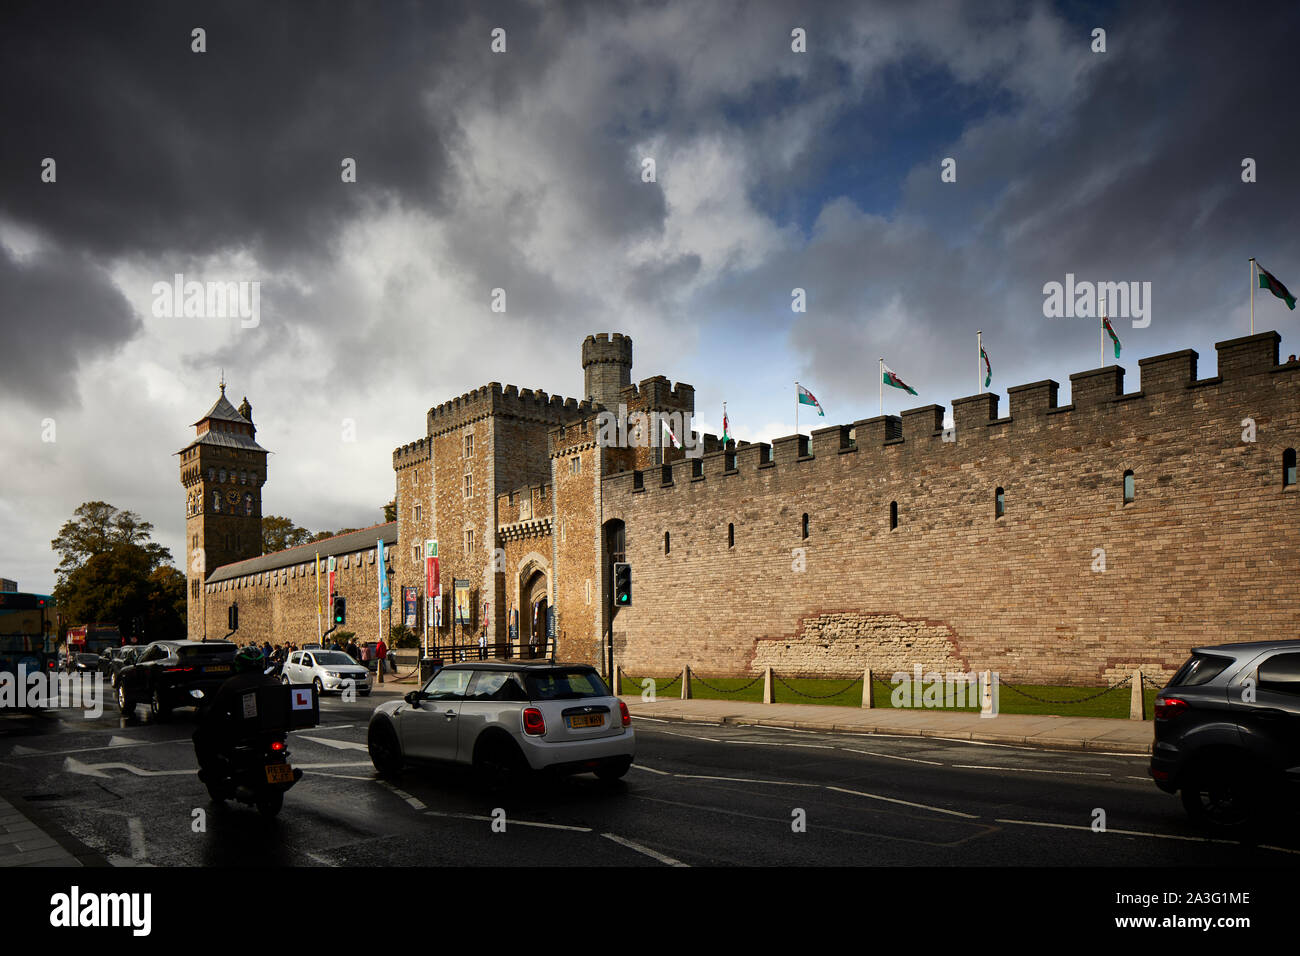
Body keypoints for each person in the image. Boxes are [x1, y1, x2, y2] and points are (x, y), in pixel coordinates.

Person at [193, 645, 282, 775]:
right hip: (272, 730)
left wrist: (203, 713)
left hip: (242, 730)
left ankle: (213, 774)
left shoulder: (232, 684)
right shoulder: (274, 682)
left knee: (200, 736)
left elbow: (216, 711)